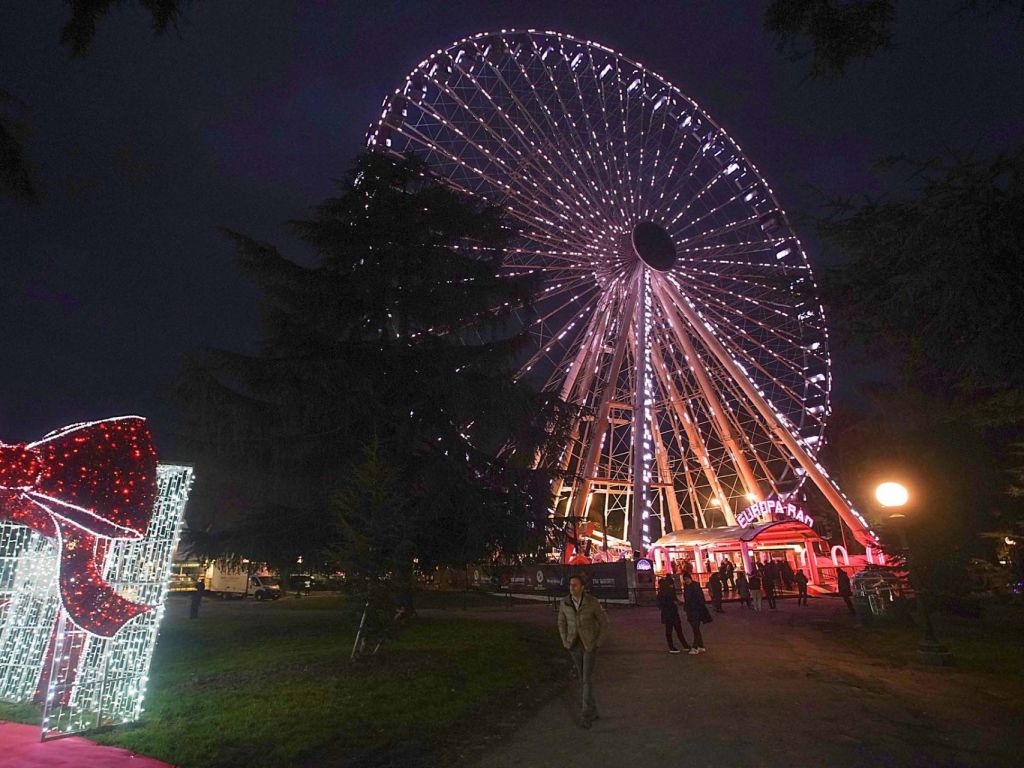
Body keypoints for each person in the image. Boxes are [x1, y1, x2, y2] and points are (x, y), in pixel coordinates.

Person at [557, 574, 609, 728]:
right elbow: (561, 622)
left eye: (575, 585)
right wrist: (565, 640)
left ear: (582, 587)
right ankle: (593, 709)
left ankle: (585, 714)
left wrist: (598, 642)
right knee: (582, 678)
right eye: (570, 585)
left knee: (586, 678)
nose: (572, 588)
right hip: (573, 645)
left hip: (589, 645)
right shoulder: (565, 603)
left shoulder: (592, 602)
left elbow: (604, 623)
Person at [657, 576, 691, 654]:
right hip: (669, 613)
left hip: (671, 613)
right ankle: (673, 646)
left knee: (677, 629)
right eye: (671, 584)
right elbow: (665, 603)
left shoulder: (666, 591)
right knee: (671, 630)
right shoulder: (665, 592)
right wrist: (674, 603)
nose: (672, 586)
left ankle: (683, 645)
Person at [682, 573, 710, 654]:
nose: (686, 580)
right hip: (691, 610)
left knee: (695, 628)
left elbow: (700, 598)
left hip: (695, 610)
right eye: (685, 579)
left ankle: (695, 647)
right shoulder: (687, 587)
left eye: (687, 579)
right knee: (695, 628)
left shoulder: (695, 586)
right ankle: (701, 646)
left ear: (690, 578)